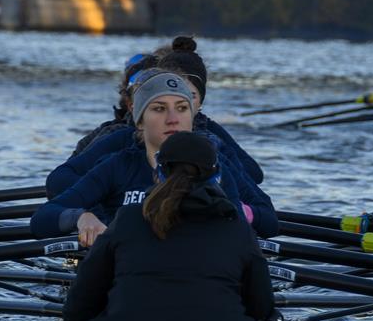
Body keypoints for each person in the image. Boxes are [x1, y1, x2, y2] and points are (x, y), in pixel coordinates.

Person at [58, 131, 277, 321]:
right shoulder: (237, 227)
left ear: (158, 173)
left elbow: (82, 298)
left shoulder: (127, 218)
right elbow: (262, 307)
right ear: (217, 176)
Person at [32, 71, 279, 243]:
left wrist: (236, 212)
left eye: (182, 109)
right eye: (159, 109)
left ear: (192, 117)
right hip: (127, 269)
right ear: (139, 121)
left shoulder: (215, 165)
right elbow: (42, 219)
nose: (173, 119)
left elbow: (269, 220)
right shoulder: (118, 165)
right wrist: (82, 217)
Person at [50, 37, 262, 194]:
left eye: (184, 103)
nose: (173, 117)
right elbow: (61, 182)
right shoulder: (118, 137)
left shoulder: (212, 142)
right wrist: (88, 209)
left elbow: (253, 179)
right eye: (160, 106)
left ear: (200, 102)